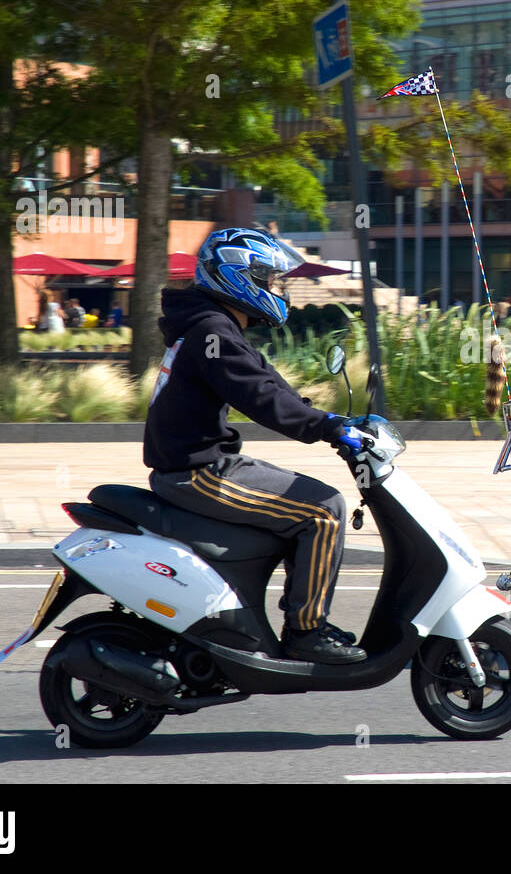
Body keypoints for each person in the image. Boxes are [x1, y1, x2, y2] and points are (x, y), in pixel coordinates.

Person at [142, 227, 367, 664]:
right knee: (325, 511)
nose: (277, 289)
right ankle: (306, 632)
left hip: (199, 463)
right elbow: (260, 398)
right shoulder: (214, 331)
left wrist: (331, 420)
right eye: (269, 279)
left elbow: (266, 384)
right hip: (197, 473)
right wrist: (328, 429)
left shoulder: (213, 326)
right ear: (237, 276)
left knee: (305, 502)